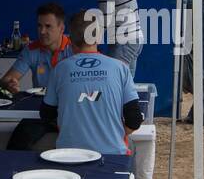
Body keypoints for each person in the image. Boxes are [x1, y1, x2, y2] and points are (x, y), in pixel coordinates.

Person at [43, 11, 144, 157]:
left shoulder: (59, 69)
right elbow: (134, 119)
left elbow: (46, 114)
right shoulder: (120, 67)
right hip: (112, 155)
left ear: (70, 39)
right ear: (98, 37)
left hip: (68, 155)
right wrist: (112, 134)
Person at [3, 2, 74, 151]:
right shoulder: (32, 50)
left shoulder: (75, 47)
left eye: (48, 26)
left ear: (62, 28)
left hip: (71, 112)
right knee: (16, 145)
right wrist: (10, 84)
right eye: (39, 26)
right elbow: (5, 80)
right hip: (41, 113)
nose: (42, 31)